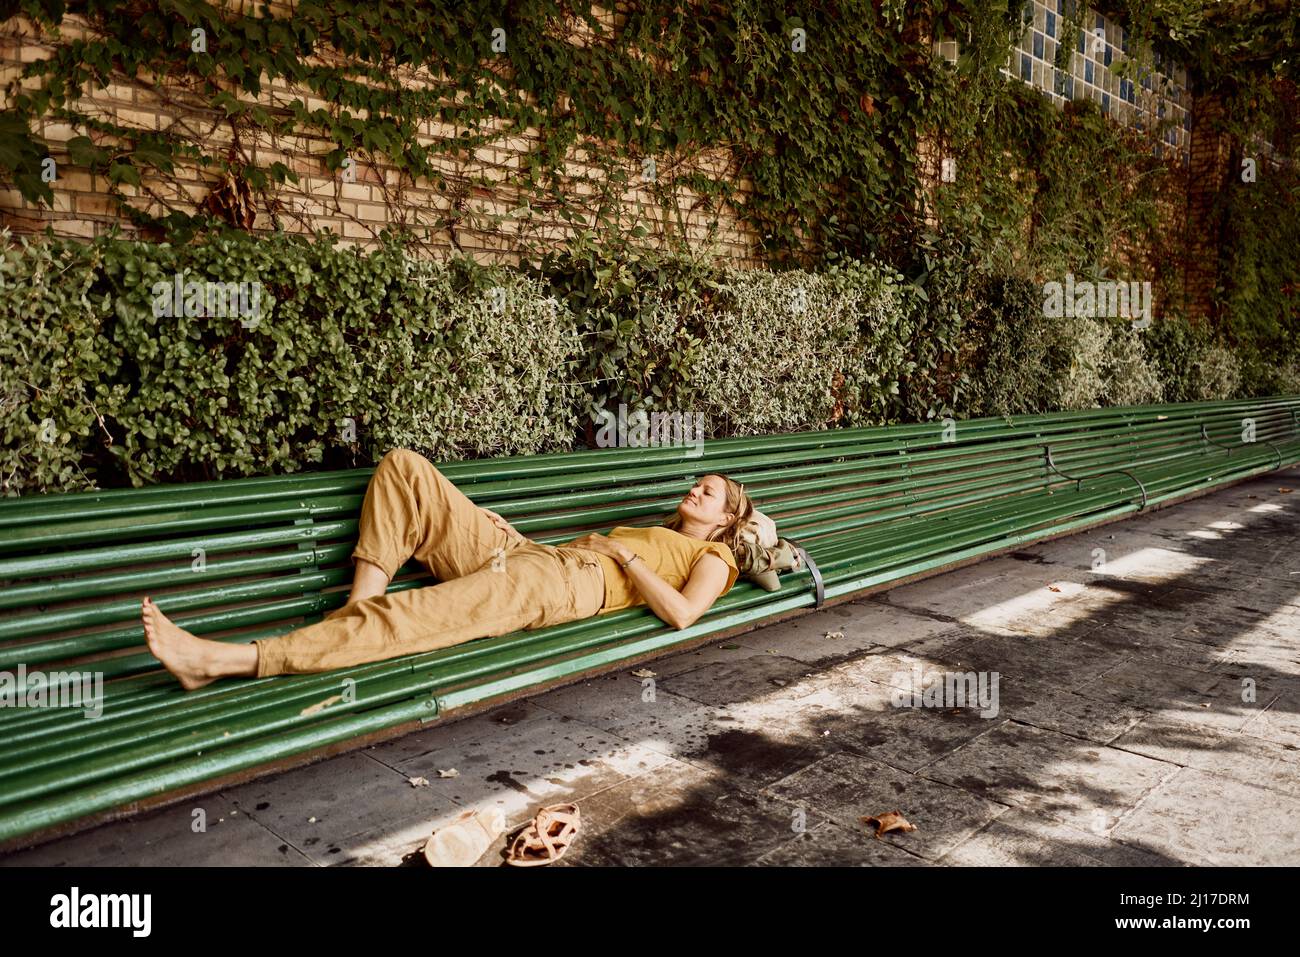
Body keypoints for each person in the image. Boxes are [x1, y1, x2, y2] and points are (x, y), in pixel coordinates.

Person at [141, 447, 751, 690]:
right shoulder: (663, 532)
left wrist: (624, 555)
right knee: (405, 469)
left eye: (710, 492)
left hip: (558, 587)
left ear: (727, 519)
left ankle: (225, 661)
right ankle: (359, 607)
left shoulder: (715, 556)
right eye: (697, 483)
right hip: (536, 557)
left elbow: (683, 614)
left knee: (417, 614)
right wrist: (518, 537)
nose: (696, 490)